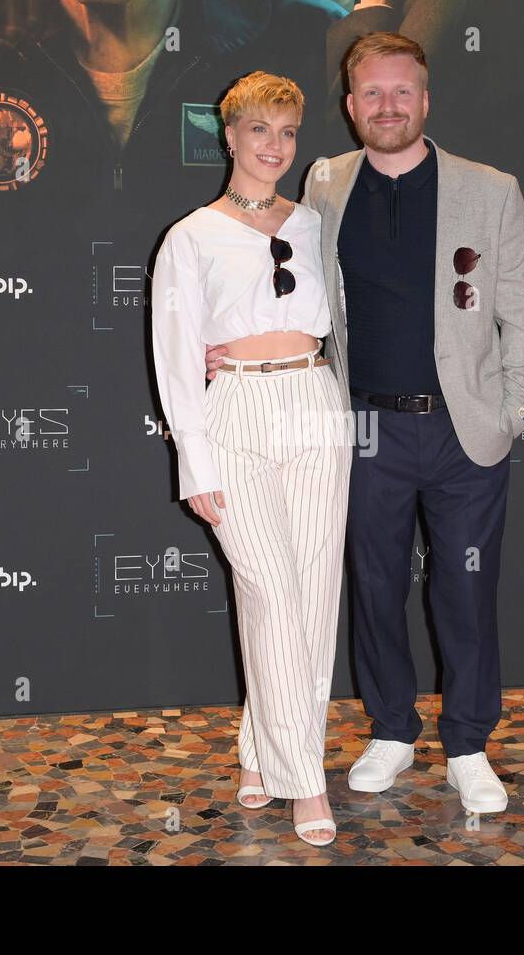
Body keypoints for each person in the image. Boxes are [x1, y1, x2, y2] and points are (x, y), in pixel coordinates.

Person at [205, 32, 524, 816]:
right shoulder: (325, 186)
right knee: (374, 589)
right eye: (371, 94)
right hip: (359, 431)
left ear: (424, 101)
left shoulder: (490, 189)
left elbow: (523, 316)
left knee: (465, 592)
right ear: (351, 105)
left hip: (466, 435)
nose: (387, 106)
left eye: (402, 92)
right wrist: (225, 349)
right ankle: (392, 729)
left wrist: (512, 415)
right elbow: (267, 272)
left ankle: (467, 743)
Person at [150, 70, 351, 847]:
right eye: (259, 130)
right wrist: (194, 464)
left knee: (311, 599)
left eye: (288, 132)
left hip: (315, 405)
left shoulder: (316, 223)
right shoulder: (190, 236)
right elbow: (174, 357)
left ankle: (263, 755)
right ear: (228, 136)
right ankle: (306, 780)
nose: (274, 146)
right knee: (269, 593)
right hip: (235, 412)